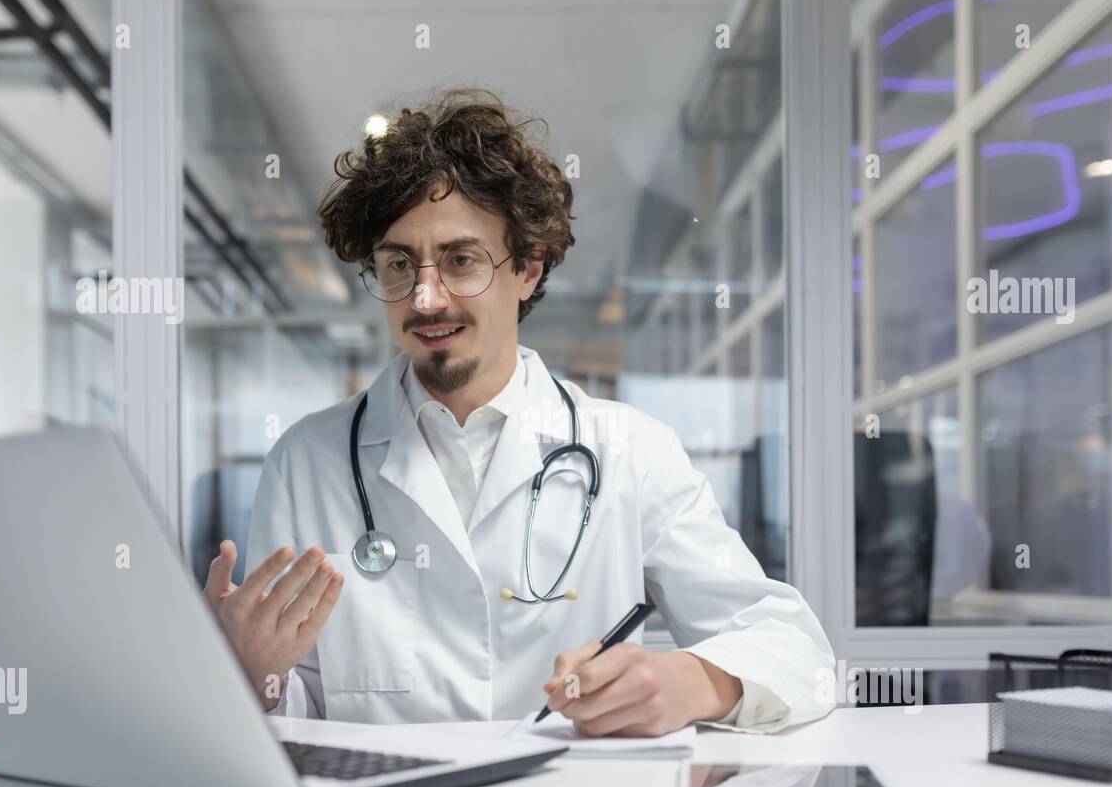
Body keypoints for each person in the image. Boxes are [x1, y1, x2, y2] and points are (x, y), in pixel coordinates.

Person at [202, 87, 835, 737]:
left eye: (461, 260)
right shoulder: (306, 462)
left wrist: (695, 681)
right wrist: (253, 673)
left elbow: (797, 651)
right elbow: (303, 708)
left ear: (528, 268)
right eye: (398, 265)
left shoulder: (631, 452)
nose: (426, 298)